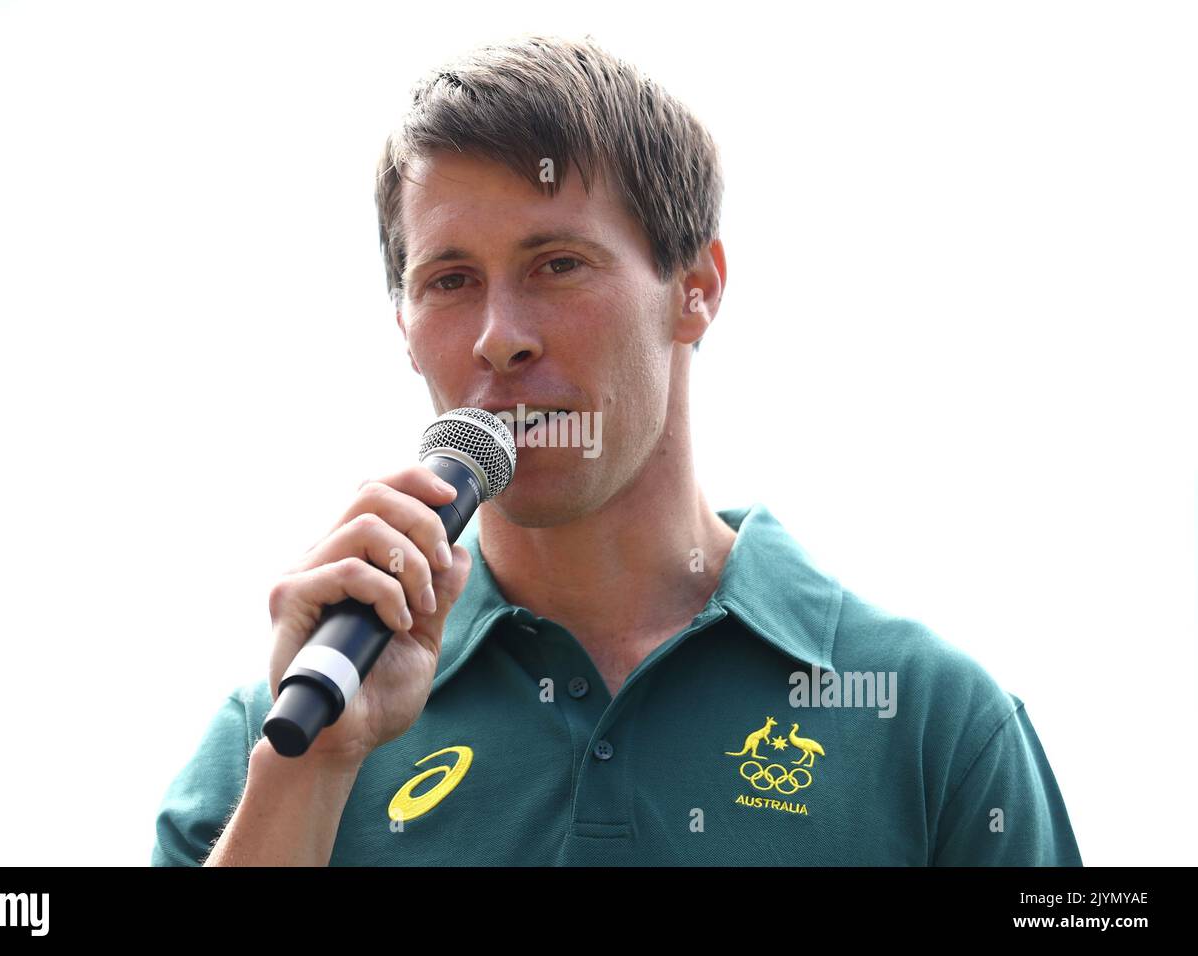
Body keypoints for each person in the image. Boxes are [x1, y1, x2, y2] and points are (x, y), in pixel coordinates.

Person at [151, 33, 1082, 866]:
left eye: (557, 264)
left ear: (697, 288)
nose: (498, 337)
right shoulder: (279, 733)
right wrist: (309, 773)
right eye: (450, 280)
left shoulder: (930, 722)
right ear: (402, 324)